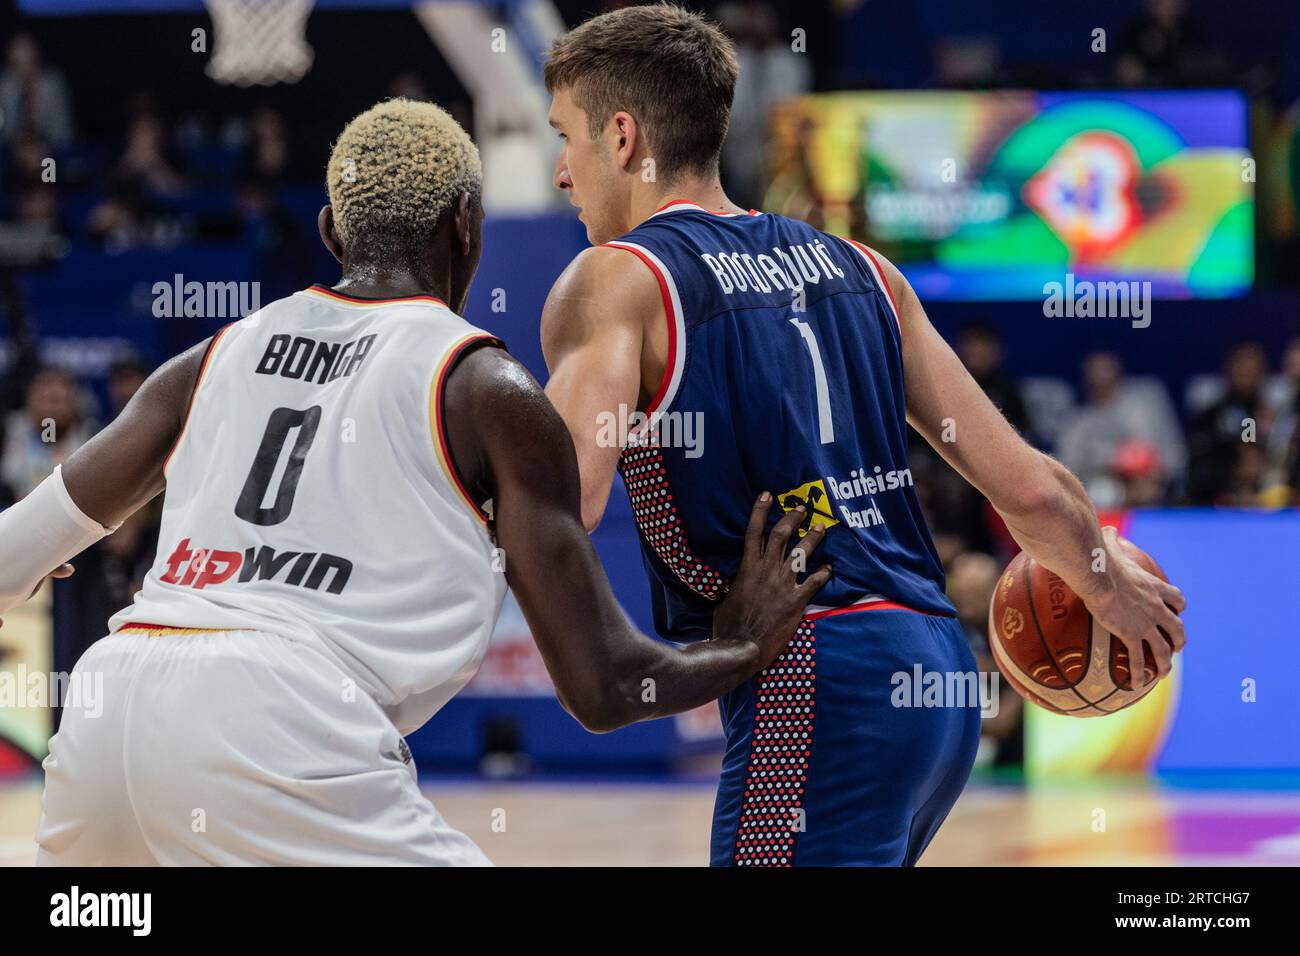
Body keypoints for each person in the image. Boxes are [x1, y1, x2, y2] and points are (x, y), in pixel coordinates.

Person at [0, 98, 827, 866]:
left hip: (108, 708)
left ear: (331, 229)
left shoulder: (210, 358)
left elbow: (11, 554)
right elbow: (606, 686)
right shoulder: (486, 388)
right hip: (282, 724)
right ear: (466, 224)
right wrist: (741, 646)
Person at [539, 4, 1186, 866]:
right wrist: (1101, 578)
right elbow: (1030, 486)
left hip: (817, 672)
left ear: (622, 137)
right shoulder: (866, 269)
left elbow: (562, 501)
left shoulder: (615, 279)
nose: (560, 173)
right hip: (933, 669)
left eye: (566, 137)